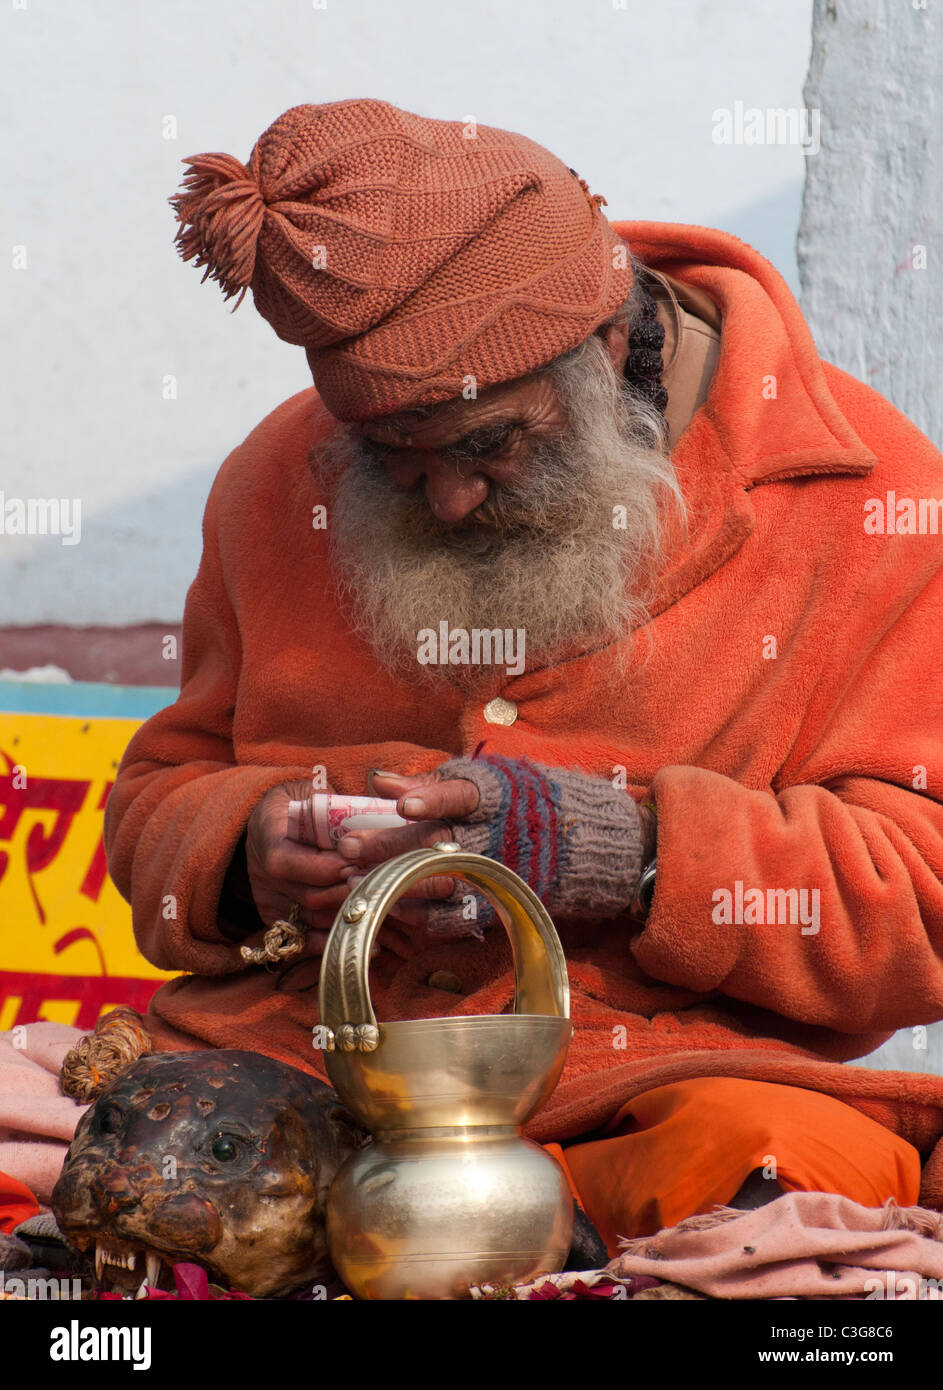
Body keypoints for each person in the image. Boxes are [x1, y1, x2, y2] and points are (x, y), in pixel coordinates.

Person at [103, 99, 943, 1250]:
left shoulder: (868, 500)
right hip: (298, 1069)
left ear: (604, 349)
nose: (444, 501)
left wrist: (619, 851)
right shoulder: (273, 479)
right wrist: (250, 848)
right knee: (80, 1169)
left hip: (659, 1091)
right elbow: (158, 795)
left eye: (487, 443)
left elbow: (921, 906)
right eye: (391, 462)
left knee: (788, 1210)